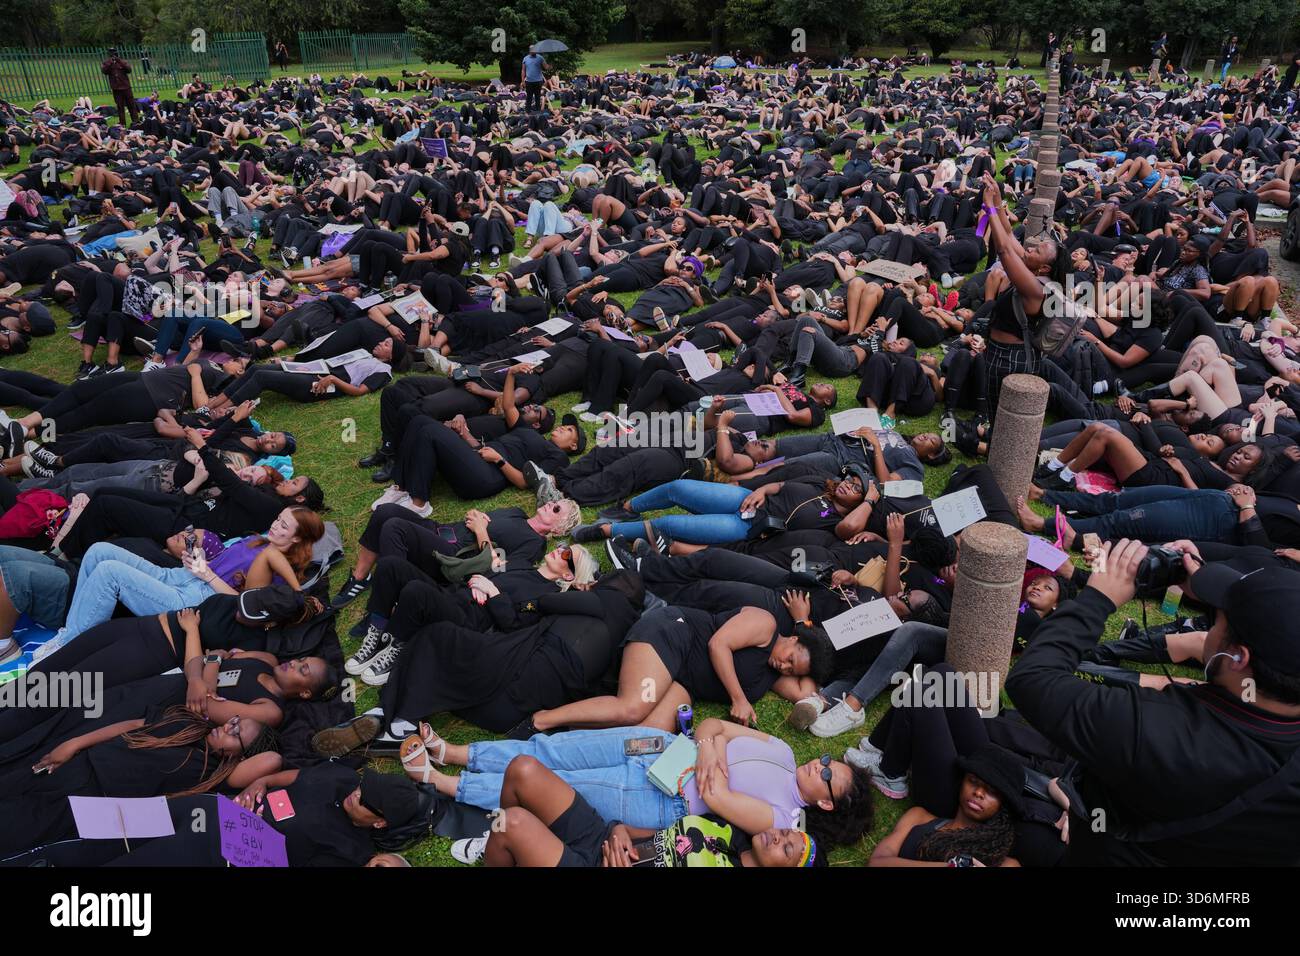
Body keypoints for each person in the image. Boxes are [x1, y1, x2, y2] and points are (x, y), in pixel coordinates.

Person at [1006, 541, 1300, 865]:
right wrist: (1205, 589)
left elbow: (1033, 680)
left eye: (1218, 621)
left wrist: (1097, 600)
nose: (1211, 624)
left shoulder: (1160, 729)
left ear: (1238, 657)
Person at [100, 48, 139, 127]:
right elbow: (104, 71)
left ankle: (135, 121)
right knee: (120, 106)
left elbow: (129, 70)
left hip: (126, 87)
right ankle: (122, 123)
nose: (113, 54)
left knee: (131, 105)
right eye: (111, 53)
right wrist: (110, 62)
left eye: (114, 53)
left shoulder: (122, 61)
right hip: (116, 88)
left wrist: (118, 60)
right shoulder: (107, 63)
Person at [522, 47, 547, 112]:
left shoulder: (540, 58)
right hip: (529, 81)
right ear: (530, 51)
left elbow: (546, 67)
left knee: (537, 96)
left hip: (538, 81)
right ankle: (528, 111)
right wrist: (522, 80)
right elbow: (523, 70)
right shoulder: (525, 58)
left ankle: (538, 111)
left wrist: (549, 66)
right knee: (529, 97)